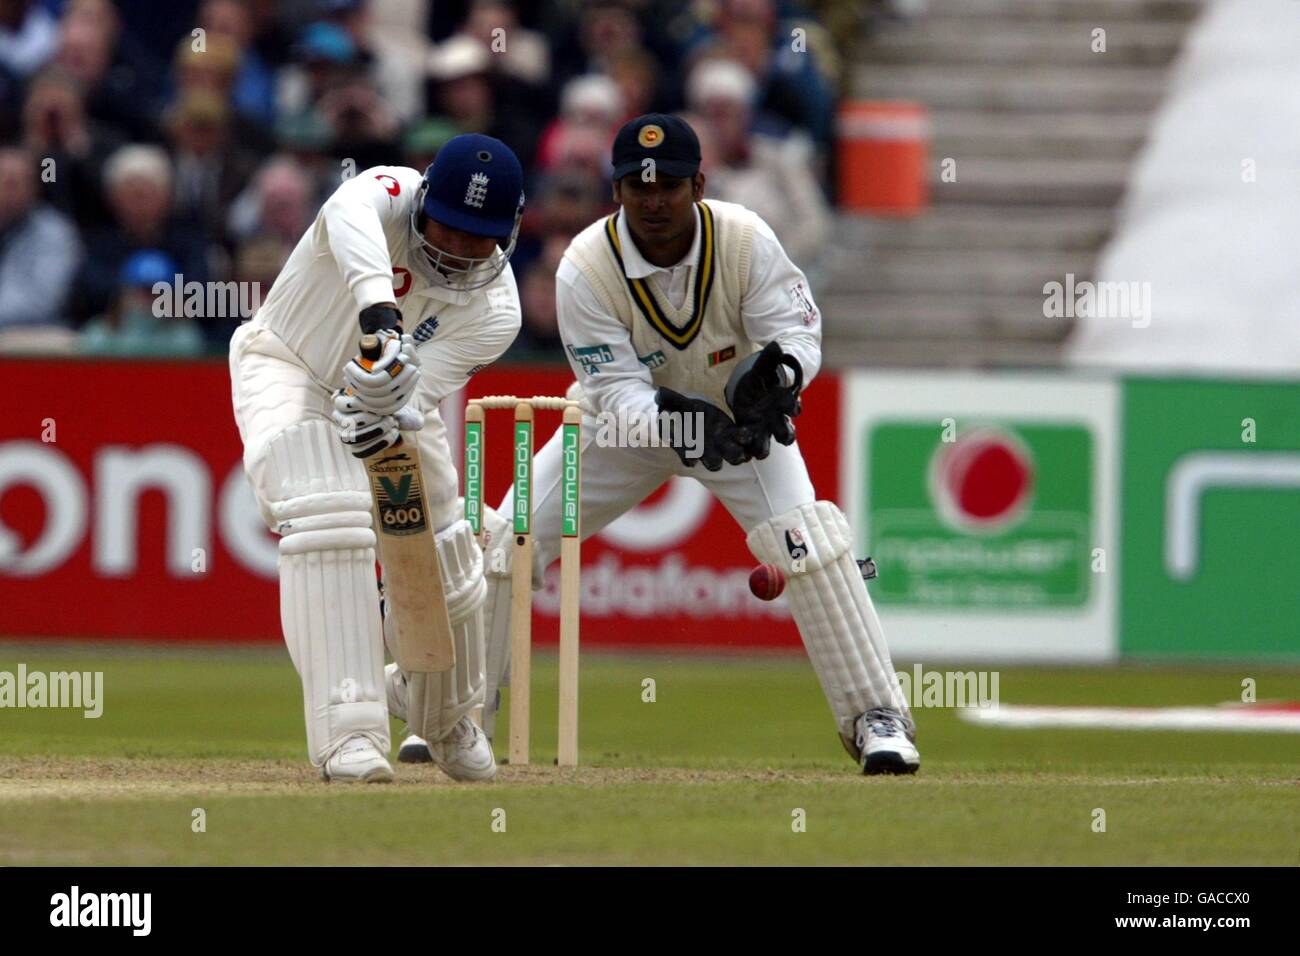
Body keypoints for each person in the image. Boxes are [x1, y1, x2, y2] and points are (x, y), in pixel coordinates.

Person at [404, 115, 920, 775]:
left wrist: (780, 375)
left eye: (669, 186)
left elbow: (796, 330)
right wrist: (682, 425)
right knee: (508, 540)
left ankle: (878, 719)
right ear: (616, 189)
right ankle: (456, 717)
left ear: (698, 184)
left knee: (809, 541)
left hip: (742, 427)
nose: (653, 201)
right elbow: (616, 391)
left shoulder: (744, 239)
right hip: (621, 431)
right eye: (636, 186)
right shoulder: (585, 268)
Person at [227, 134, 525, 783]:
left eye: (481, 239)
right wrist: (378, 313)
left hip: (394, 401)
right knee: (327, 511)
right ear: (422, 204)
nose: (459, 251)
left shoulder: (498, 310)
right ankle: (348, 731)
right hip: (289, 365)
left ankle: (441, 715)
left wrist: (383, 392)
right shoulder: (383, 193)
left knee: (451, 544)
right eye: (449, 229)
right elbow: (344, 210)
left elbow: (413, 387)